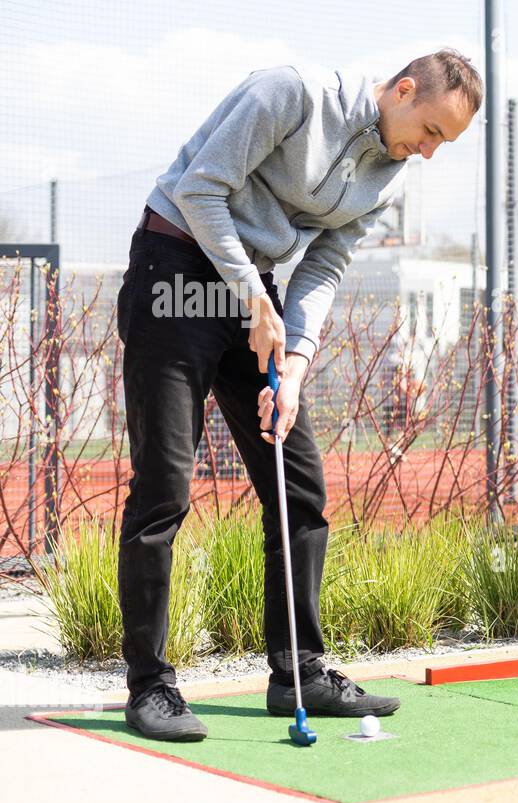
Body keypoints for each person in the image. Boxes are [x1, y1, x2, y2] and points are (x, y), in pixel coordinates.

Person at [115, 52, 481, 741]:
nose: (428, 152)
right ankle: (150, 685)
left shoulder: (387, 171)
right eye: (430, 130)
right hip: (175, 268)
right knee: (164, 484)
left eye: (443, 144)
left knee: (298, 483)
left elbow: (325, 265)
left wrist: (300, 365)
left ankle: (299, 673)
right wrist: (254, 297)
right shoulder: (293, 94)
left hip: (253, 292)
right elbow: (201, 190)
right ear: (403, 90)